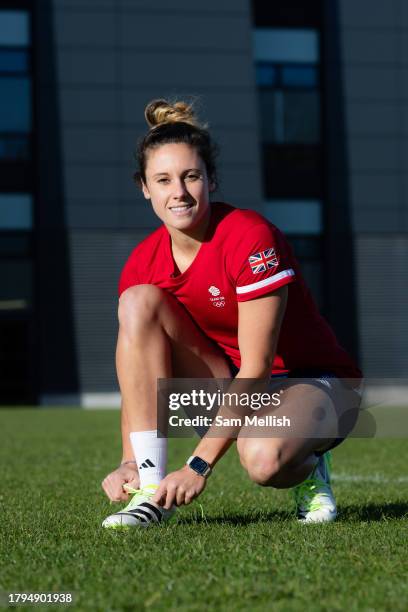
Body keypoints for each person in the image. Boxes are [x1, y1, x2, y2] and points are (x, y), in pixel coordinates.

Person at [101, 98, 362, 528]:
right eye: (163, 180)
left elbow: (258, 369)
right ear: (145, 188)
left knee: (262, 458)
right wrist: (130, 459)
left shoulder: (250, 236)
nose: (179, 193)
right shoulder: (141, 263)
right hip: (231, 386)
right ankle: (149, 495)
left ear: (211, 179)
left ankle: (309, 466)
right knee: (136, 302)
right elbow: (138, 376)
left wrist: (197, 466)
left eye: (191, 177)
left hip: (311, 381)